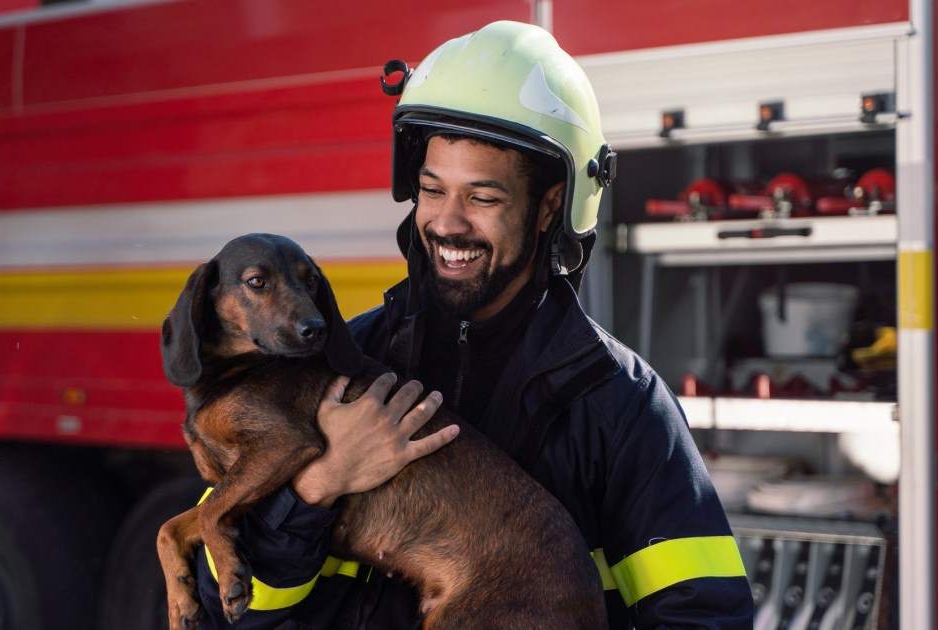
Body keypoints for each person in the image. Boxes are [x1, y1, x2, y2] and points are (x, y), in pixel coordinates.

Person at [192, 20, 754, 629]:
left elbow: (704, 617)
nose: (447, 223)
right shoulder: (332, 365)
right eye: (432, 191)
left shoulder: (618, 405)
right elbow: (222, 606)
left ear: (548, 208)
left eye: (482, 198)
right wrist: (318, 486)